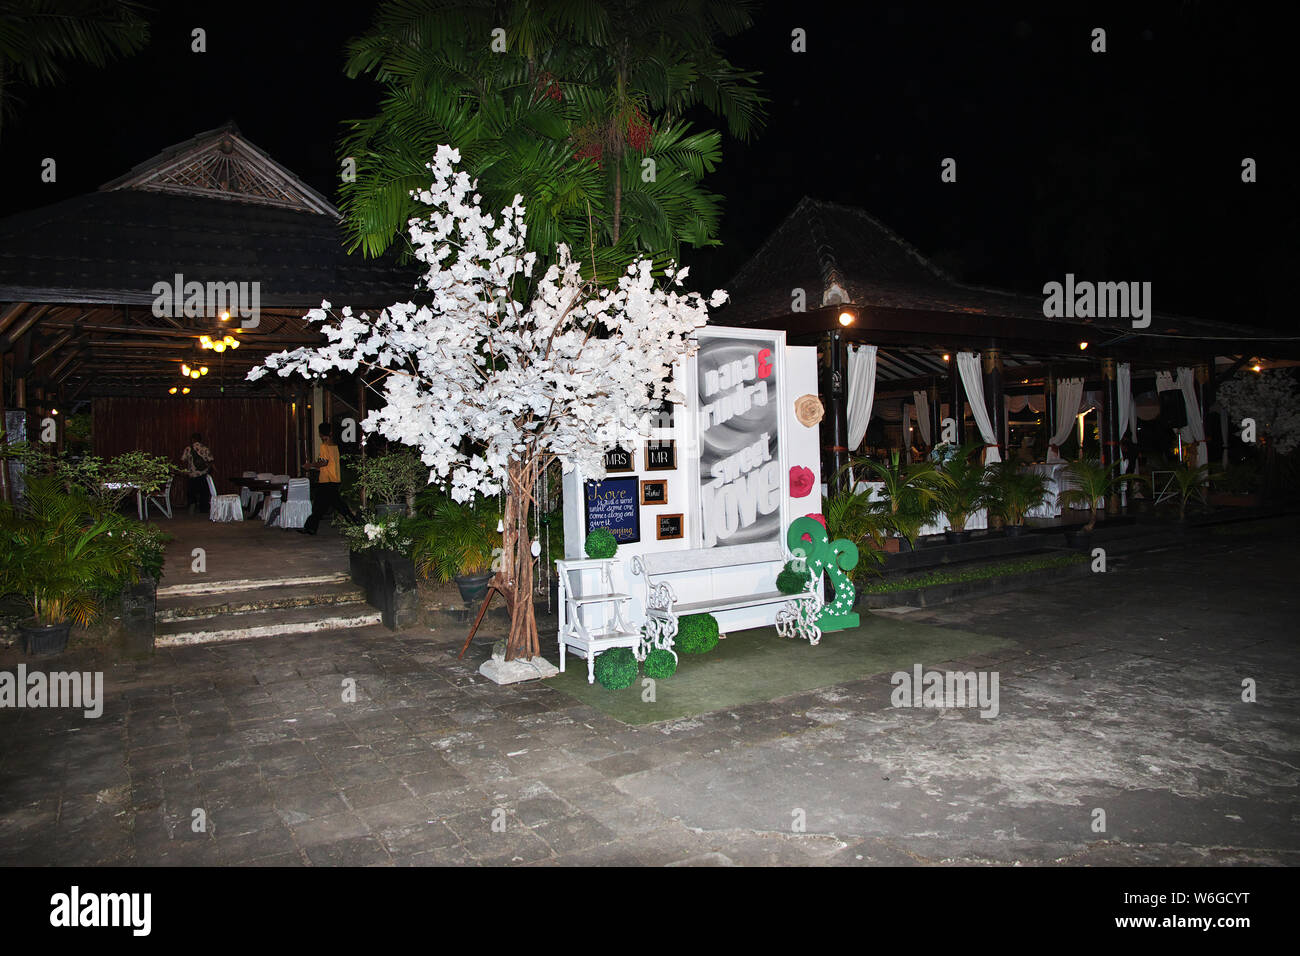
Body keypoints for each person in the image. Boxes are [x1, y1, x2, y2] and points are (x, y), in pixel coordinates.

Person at [300, 422, 355, 534]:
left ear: (320, 434)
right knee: (325, 506)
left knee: (325, 506)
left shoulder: (324, 446)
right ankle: (310, 528)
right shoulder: (334, 447)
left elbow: (323, 462)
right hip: (334, 479)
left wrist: (310, 465)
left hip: (326, 480)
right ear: (330, 432)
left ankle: (355, 522)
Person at [181, 432, 213, 514]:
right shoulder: (205, 448)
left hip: (192, 474)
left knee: (191, 492)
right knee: (204, 492)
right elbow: (210, 461)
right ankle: (204, 508)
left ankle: (192, 504)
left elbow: (183, 460)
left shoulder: (188, 449)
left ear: (192, 439)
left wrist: (185, 470)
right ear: (200, 439)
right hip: (203, 474)